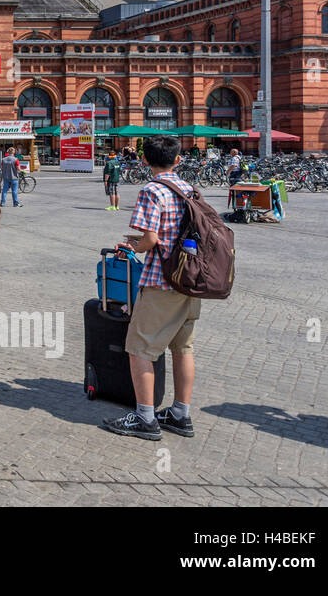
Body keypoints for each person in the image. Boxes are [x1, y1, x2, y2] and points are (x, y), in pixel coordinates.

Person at [101, 134, 201, 442]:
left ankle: (145, 417)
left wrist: (133, 246)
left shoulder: (152, 191)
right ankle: (180, 414)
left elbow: (151, 240)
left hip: (161, 281)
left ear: (144, 160)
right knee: (182, 348)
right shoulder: (191, 190)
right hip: (190, 278)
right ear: (178, 160)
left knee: (139, 348)